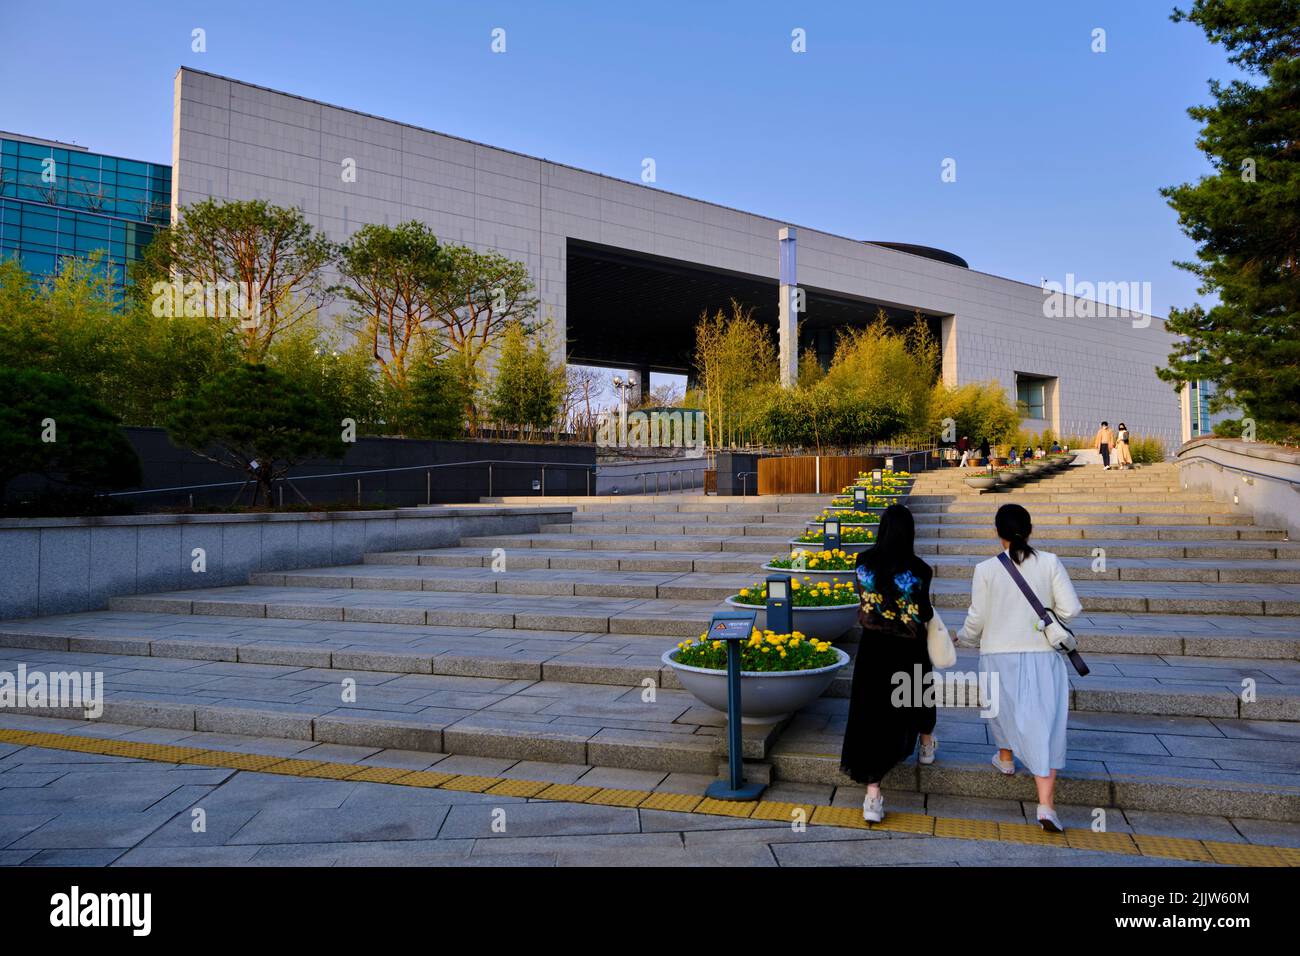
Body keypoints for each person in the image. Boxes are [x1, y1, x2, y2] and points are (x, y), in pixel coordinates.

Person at [959, 504, 1083, 832]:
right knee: (1045, 725)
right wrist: (1047, 618)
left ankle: (1006, 758)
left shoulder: (985, 569)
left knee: (1002, 709)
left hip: (998, 654)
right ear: (1030, 530)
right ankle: (1045, 806)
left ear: (997, 532)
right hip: (1042, 656)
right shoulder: (1050, 562)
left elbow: (978, 618)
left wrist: (963, 637)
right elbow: (1071, 609)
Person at [841, 504, 943, 823]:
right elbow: (923, 612)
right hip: (907, 648)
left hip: (873, 649)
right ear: (910, 532)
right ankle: (926, 744)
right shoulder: (921, 569)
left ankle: (873, 798)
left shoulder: (863, 563)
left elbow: (866, 601)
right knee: (917, 692)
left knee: (871, 714)